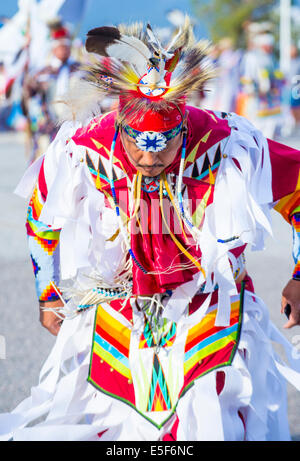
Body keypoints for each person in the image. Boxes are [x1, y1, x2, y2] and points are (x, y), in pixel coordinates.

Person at [1, 18, 300, 442]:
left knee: (209, 419)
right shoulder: (84, 145)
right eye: (136, 144)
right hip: (119, 306)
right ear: (120, 126)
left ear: (184, 127)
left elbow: (298, 188)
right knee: (121, 425)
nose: (148, 159)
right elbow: (40, 216)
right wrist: (48, 294)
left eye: (165, 146)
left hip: (209, 301)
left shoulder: (226, 140)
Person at [21, 20, 81, 163]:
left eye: (65, 46)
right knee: (45, 164)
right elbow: (27, 95)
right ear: (53, 49)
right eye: (59, 46)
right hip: (47, 128)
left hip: (76, 126)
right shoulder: (42, 73)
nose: (62, 49)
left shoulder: (80, 70)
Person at [237, 32, 285, 139]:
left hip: (271, 97)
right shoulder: (252, 57)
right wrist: (252, 89)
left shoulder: (272, 58)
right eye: (268, 46)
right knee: (257, 122)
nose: (270, 48)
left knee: (271, 123)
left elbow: (277, 73)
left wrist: (277, 82)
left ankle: (269, 142)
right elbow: (247, 75)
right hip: (257, 95)